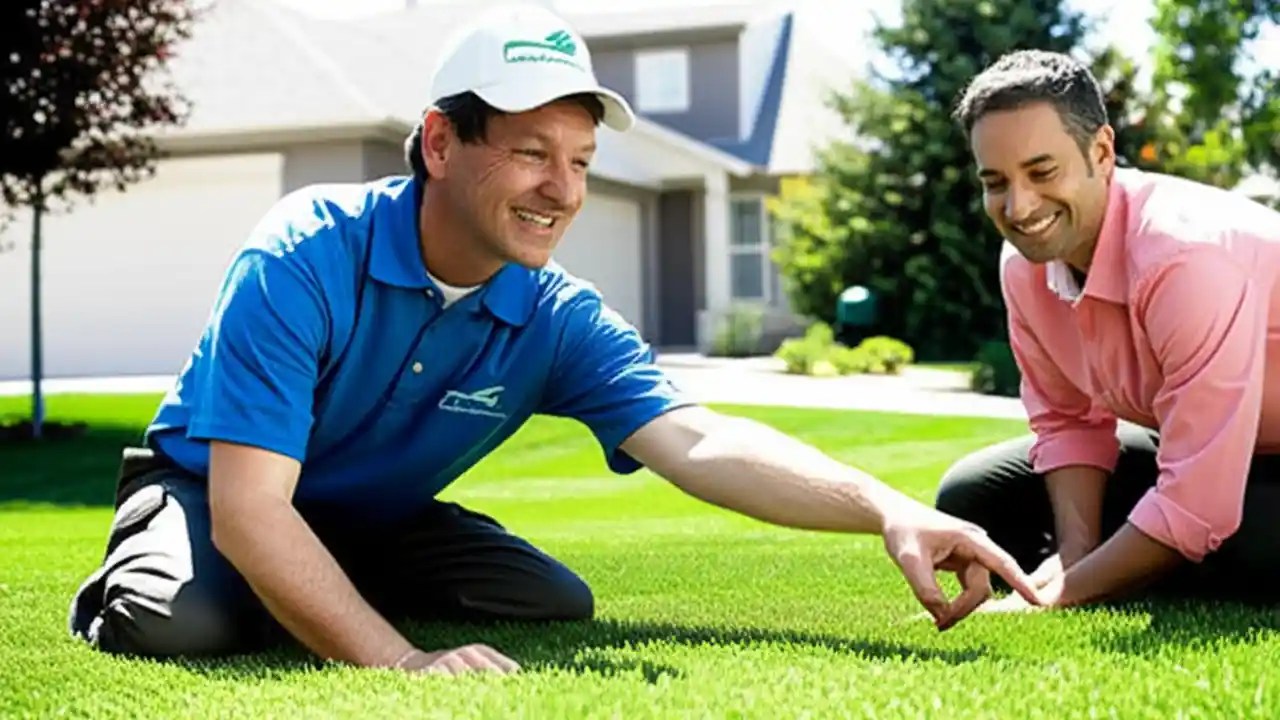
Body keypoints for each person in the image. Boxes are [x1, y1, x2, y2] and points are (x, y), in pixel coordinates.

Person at [68, 6, 1040, 676]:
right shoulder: (303, 254)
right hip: (209, 489)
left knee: (547, 601)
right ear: (441, 145)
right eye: (531, 153)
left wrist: (884, 509)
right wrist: (399, 660)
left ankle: (312, 590)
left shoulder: (556, 313)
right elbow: (248, 509)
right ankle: (157, 575)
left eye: (578, 161)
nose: (563, 190)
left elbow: (696, 440)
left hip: (370, 519)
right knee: (180, 621)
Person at [936, 48, 1280, 613]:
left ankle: (1158, 563)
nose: (1018, 208)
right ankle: (1136, 560)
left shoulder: (1183, 255)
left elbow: (1199, 502)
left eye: (1041, 172)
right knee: (974, 498)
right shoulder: (1024, 263)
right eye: (995, 182)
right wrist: (1075, 551)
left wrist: (1059, 598)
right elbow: (1067, 419)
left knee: (1238, 537)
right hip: (1193, 441)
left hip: (1254, 457)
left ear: (1101, 151)